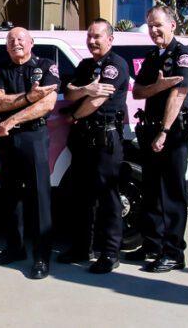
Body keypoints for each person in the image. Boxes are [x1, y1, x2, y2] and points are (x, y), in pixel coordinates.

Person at [130, 5, 188, 273]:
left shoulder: (184, 56)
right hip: (151, 131)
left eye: (158, 24)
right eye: (150, 25)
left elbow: (179, 95)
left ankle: (173, 253)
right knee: (151, 192)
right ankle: (152, 244)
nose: (153, 30)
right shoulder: (152, 57)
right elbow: (138, 92)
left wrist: (165, 131)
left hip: (172, 134)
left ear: (172, 25)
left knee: (171, 194)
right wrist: (157, 86)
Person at [0, 27, 60, 279]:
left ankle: (41, 257)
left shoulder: (46, 66)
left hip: (32, 136)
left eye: (20, 39)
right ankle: (15, 248)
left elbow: (47, 103)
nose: (15, 43)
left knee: (39, 197)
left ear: (31, 42)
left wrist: (11, 119)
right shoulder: (1, 69)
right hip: (5, 140)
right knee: (10, 195)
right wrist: (29, 96)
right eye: (10, 40)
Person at [58, 19, 129, 274]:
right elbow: (69, 92)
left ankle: (110, 253)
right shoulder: (86, 65)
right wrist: (86, 88)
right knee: (81, 196)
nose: (92, 41)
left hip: (104, 139)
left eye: (97, 36)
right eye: (89, 36)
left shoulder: (115, 65)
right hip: (83, 139)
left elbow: (98, 99)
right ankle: (81, 247)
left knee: (108, 197)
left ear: (110, 39)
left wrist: (75, 114)